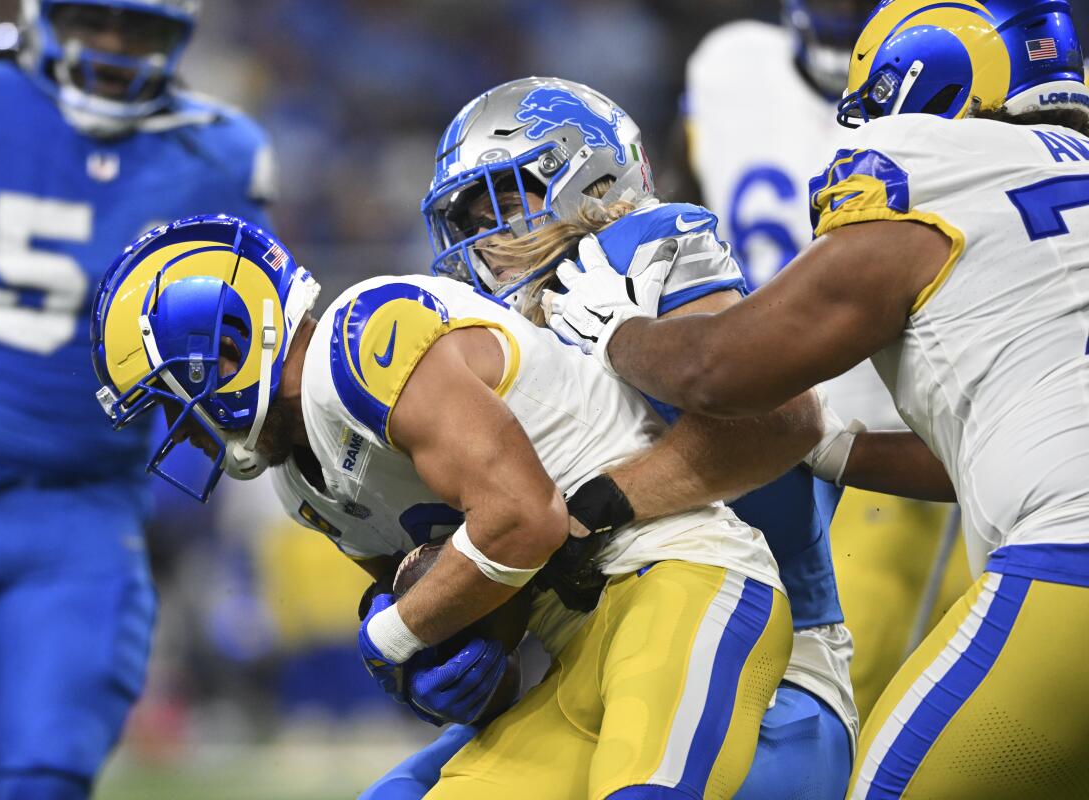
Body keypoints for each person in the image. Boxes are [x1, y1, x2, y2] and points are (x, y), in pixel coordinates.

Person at [546, 1, 1089, 796]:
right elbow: (1000, 444)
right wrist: (838, 446)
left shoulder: (931, 168)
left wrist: (617, 330)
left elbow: (721, 372)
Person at [90, 213, 823, 798]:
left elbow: (523, 519)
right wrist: (456, 671)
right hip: (572, 643)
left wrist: (393, 637)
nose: (181, 429)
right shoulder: (301, 484)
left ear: (229, 345)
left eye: (172, 399)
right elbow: (483, 607)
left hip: (678, 575)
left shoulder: (362, 341)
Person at [376, 75, 860, 800]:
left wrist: (588, 509)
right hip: (587, 657)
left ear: (593, 180)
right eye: (469, 215)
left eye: (507, 200)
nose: (485, 238)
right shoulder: (491, 338)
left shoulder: (635, 249)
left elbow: (777, 421)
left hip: (767, 657)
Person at [0, 1, 275, 795]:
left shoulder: (216, 152)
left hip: (87, 507)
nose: (112, 47)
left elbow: (250, 345)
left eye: (139, 30)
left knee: (50, 772)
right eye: (91, 21)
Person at [681, 0, 968, 719]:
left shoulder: (957, 74)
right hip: (755, 419)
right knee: (716, 681)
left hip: (888, 429)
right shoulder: (730, 66)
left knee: (847, 689)